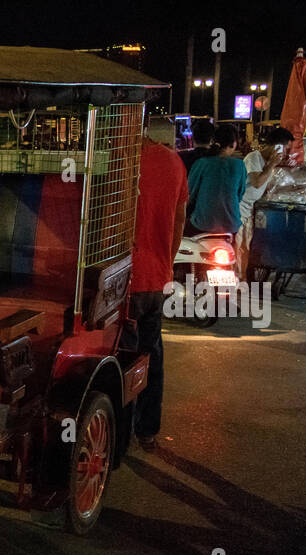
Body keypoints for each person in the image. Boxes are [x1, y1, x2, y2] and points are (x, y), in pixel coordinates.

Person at [128, 131, 189, 449]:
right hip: (157, 276)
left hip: (123, 280)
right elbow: (179, 220)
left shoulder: (118, 159)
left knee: (121, 358)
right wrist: (166, 260)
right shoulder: (174, 161)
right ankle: (147, 430)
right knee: (151, 354)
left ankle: (120, 432)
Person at [236, 127, 294, 275]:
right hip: (238, 209)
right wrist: (272, 164)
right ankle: (235, 279)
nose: (286, 153)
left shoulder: (268, 164)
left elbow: (266, 187)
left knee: (245, 247)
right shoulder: (253, 158)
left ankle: (242, 278)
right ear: (276, 146)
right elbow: (256, 182)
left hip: (249, 211)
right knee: (237, 247)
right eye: (285, 149)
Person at [186, 123, 247, 236]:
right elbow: (240, 194)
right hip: (231, 225)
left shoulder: (202, 163)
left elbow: (190, 193)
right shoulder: (240, 165)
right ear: (234, 143)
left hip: (202, 224)